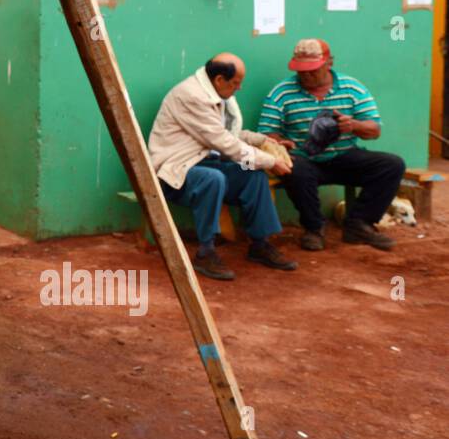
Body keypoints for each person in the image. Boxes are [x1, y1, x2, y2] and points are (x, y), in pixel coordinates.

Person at [148, 53, 296, 280]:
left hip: (209, 162)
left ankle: (259, 243)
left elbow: (229, 136)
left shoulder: (216, 94)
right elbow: (223, 142)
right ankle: (206, 251)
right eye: (236, 83)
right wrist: (270, 161)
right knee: (212, 178)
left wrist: (264, 141)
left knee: (252, 175)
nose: (239, 88)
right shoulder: (191, 96)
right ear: (219, 79)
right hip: (175, 173)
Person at [258, 38, 404, 251]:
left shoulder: (352, 88)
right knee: (294, 169)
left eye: (312, 70)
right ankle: (314, 228)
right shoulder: (281, 92)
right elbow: (266, 132)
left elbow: (374, 130)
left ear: (329, 63)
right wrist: (280, 143)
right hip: (304, 160)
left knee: (392, 165)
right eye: (301, 70)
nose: (306, 75)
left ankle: (359, 224)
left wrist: (353, 125)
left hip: (345, 156)